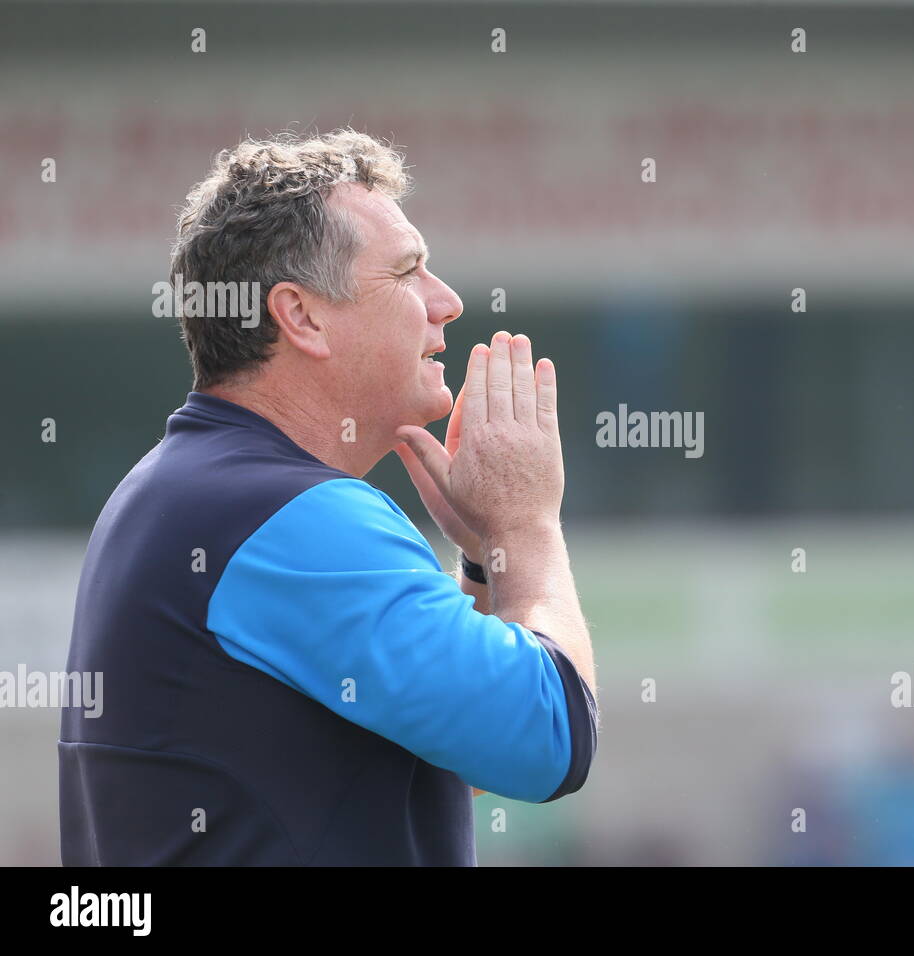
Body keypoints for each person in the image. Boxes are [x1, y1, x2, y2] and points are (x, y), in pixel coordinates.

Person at [59, 129, 598, 865]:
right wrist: (529, 526)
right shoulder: (291, 516)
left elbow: (454, 745)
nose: (446, 300)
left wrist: (481, 563)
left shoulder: (181, 489)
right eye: (408, 272)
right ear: (301, 316)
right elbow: (549, 741)